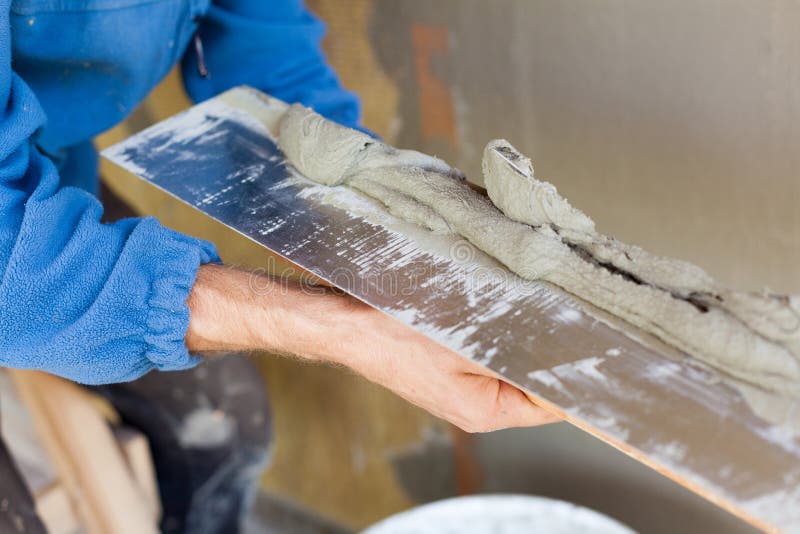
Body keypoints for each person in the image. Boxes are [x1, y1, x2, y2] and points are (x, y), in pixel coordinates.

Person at [0, 0, 559, 532]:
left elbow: (263, 51)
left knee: (223, 420)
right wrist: (349, 331)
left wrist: (377, 211)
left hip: (38, 181)